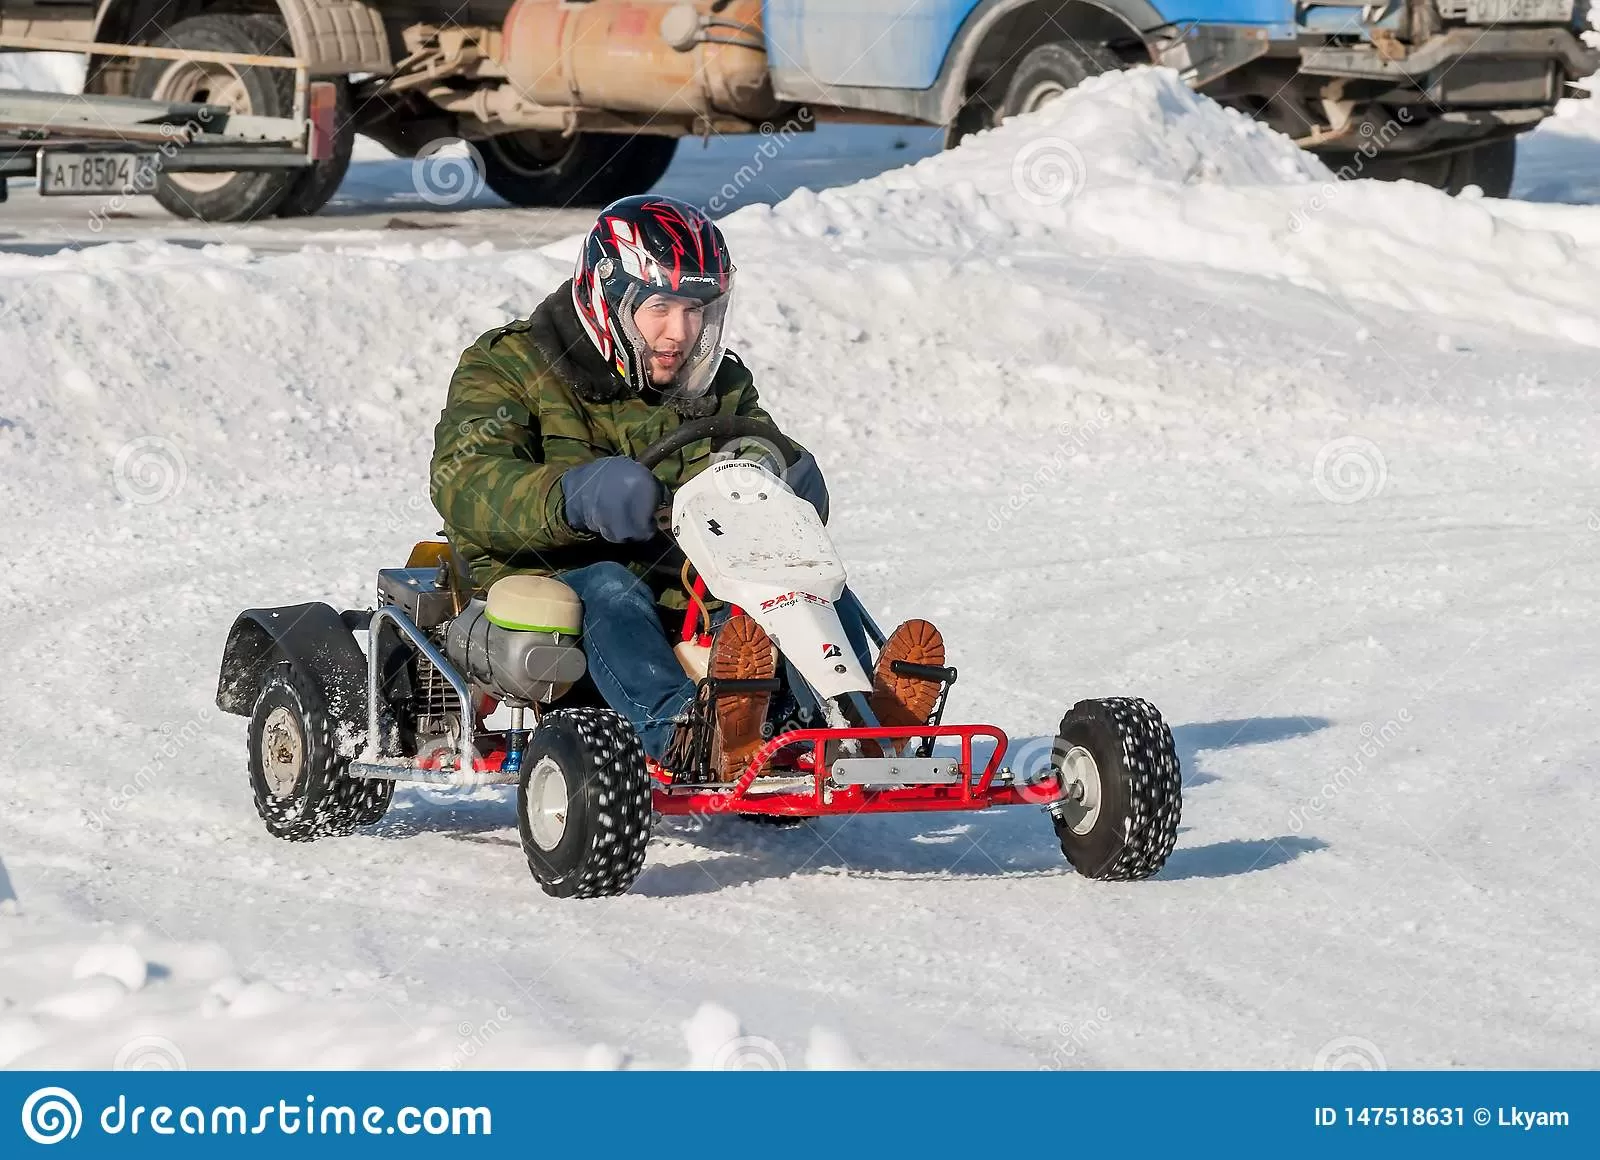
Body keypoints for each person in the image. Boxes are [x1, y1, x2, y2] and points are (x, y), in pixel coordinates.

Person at [430, 195, 943, 778]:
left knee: (802, 586)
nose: (679, 331)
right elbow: (464, 484)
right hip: (550, 569)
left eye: (696, 309)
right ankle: (684, 734)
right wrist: (572, 496)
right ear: (608, 301)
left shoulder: (716, 380)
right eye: (661, 307)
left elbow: (754, 452)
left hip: (686, 570)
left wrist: (783, 474)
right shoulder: (509, 365)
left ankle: (850, 726)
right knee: (610, 586)